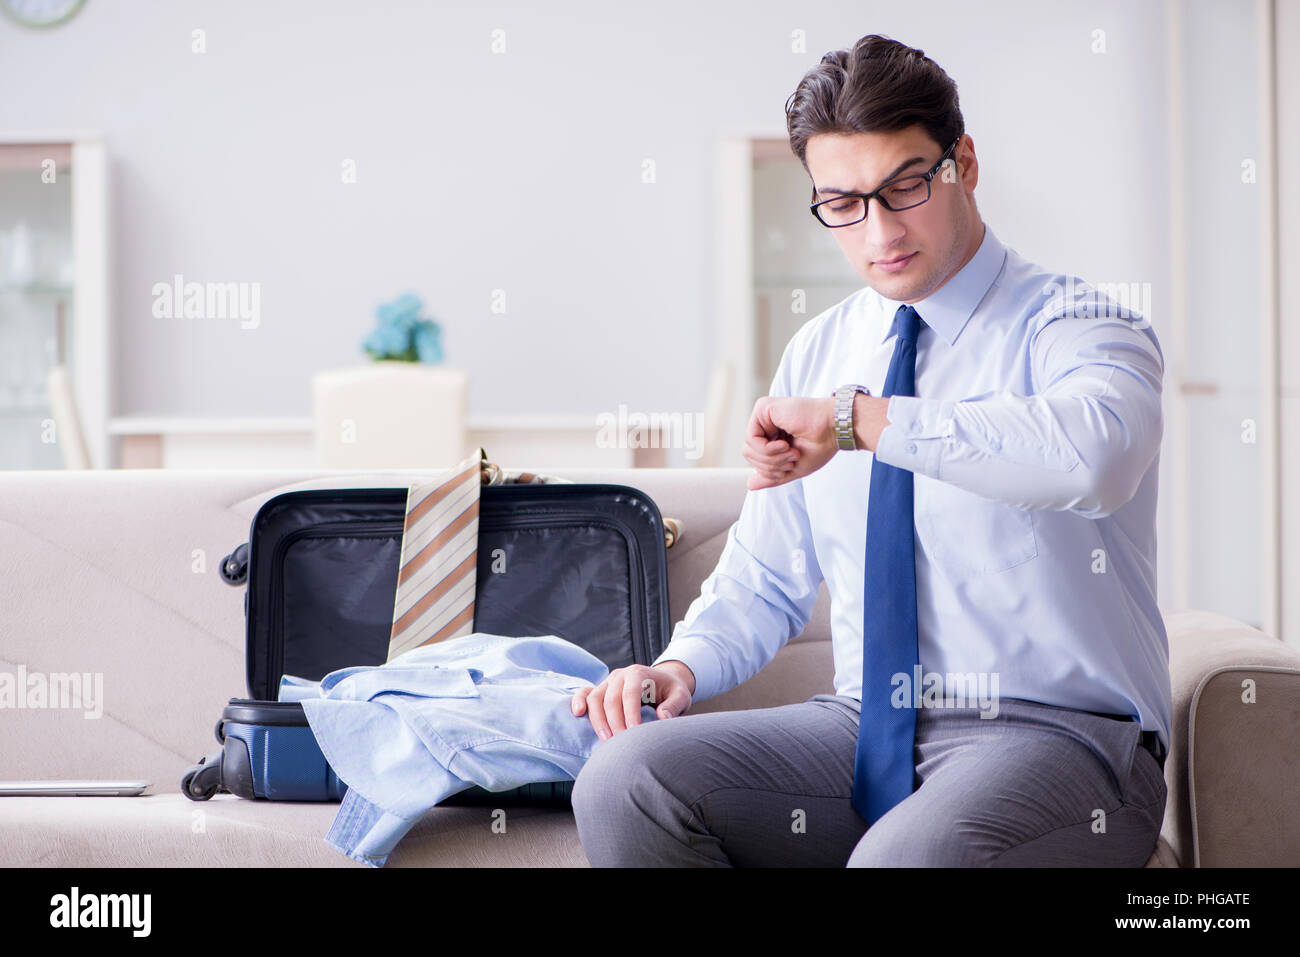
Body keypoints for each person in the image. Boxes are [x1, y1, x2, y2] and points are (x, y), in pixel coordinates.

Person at [569, 33, 1171, 867]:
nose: (879, 230)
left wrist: (861, 421)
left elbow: (1092, 458)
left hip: (1061, 737)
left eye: (905, 186)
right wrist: (682, 667)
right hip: (864, 722)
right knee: (624, 777)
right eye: (843, 202)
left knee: (904, 859)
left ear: (961, 161)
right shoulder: (820, 351)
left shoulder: (1078, 324)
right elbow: (767, 575)